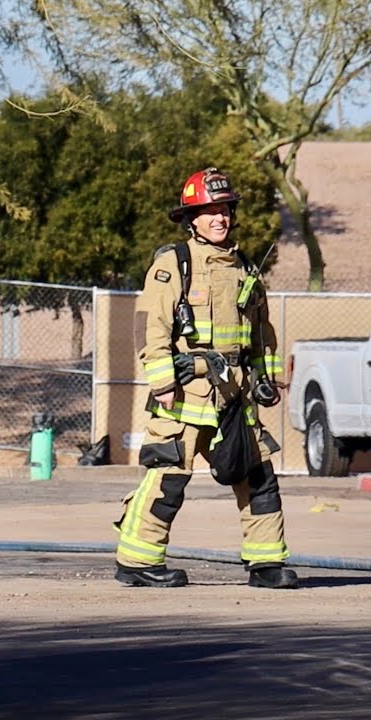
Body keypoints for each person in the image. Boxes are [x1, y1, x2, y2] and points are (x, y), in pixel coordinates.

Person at [113, 168, 299, 591]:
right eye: (209, 211)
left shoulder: (244, 267)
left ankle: (266, 563)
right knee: (169, 476)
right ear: (191, 218)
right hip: (185, 394)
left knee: (258, 475)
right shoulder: (173, 265)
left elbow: (261, 332)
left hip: (235, 394)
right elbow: (152, 328)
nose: (220, 219)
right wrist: (162, 381)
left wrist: (265, 377)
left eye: (225, 210)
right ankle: (137, 561)